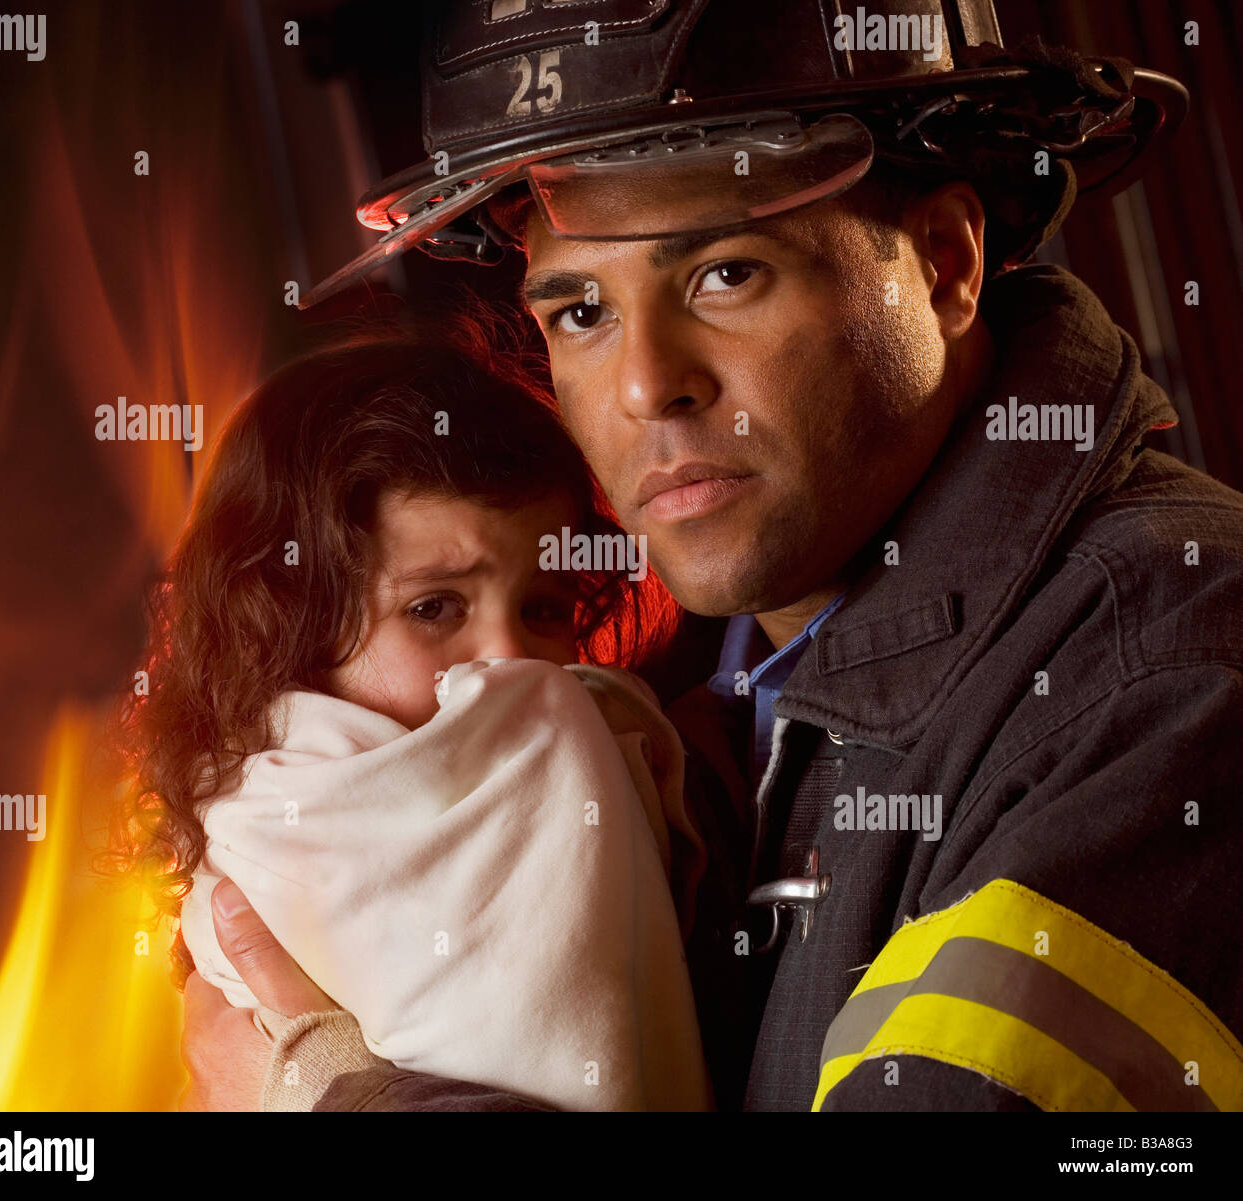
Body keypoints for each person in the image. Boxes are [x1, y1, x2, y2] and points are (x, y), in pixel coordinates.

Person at [182, 0, 1243, 1112]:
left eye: (725, 275)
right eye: (583, 309)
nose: (647, 386)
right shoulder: (690, 724)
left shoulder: (1164, 684)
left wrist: (328, 1089)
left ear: (940, 264)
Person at [114, 319, 712, 1111]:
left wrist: (309, 1078)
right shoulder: (269, 804)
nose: (512, 662)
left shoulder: (604, 751)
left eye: (543, 607)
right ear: (291, 632)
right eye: (434, 608)